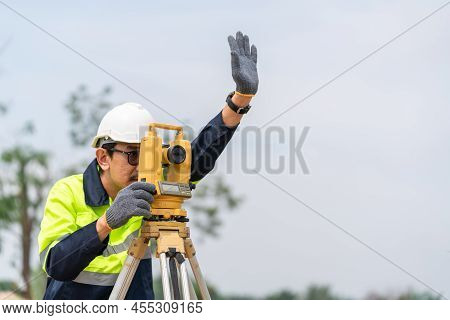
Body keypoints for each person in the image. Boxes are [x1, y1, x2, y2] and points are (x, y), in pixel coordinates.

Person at [38, 31, 258, 299]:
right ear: (103, 158)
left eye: (147, 155)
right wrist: (106, 223)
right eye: (132, 155)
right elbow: (56, 265)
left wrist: (240, 100)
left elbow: (200, 155)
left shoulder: (151, 188)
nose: (141, 166)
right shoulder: (68, 192)